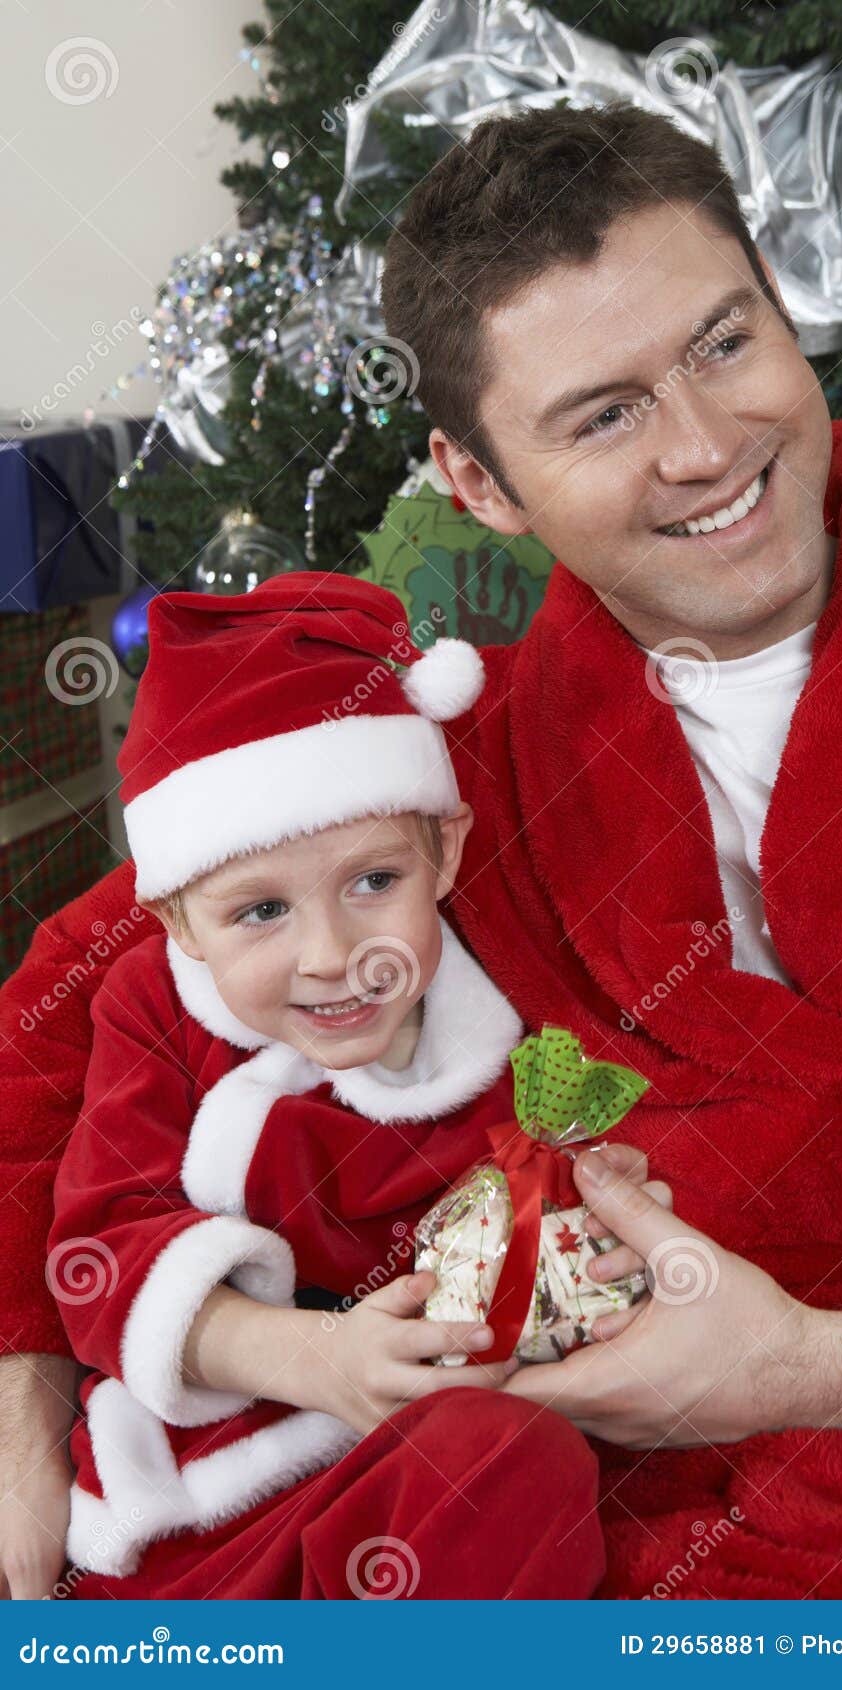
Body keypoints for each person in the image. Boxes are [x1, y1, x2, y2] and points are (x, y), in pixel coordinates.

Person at [3, 99, 842, 1601]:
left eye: (721, 343)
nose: (705, 446)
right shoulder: (423, 786)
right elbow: (67, 1009)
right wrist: (22, 1401)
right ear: (480, 483)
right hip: (625, 1536)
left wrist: (840, 1362)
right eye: (603, 413)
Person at [43, 571, 651, 1598]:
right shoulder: (150, 1005)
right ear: (179, 922)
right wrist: (314, 1357)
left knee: (517, 1466)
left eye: (376, 882)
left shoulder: (509, 1001)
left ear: (445, 851)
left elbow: (551, 1190)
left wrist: (595, 1224)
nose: (331, 956)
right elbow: (98, 1251)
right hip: (216, 1490)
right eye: (258, 912)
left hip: (435, 1460)